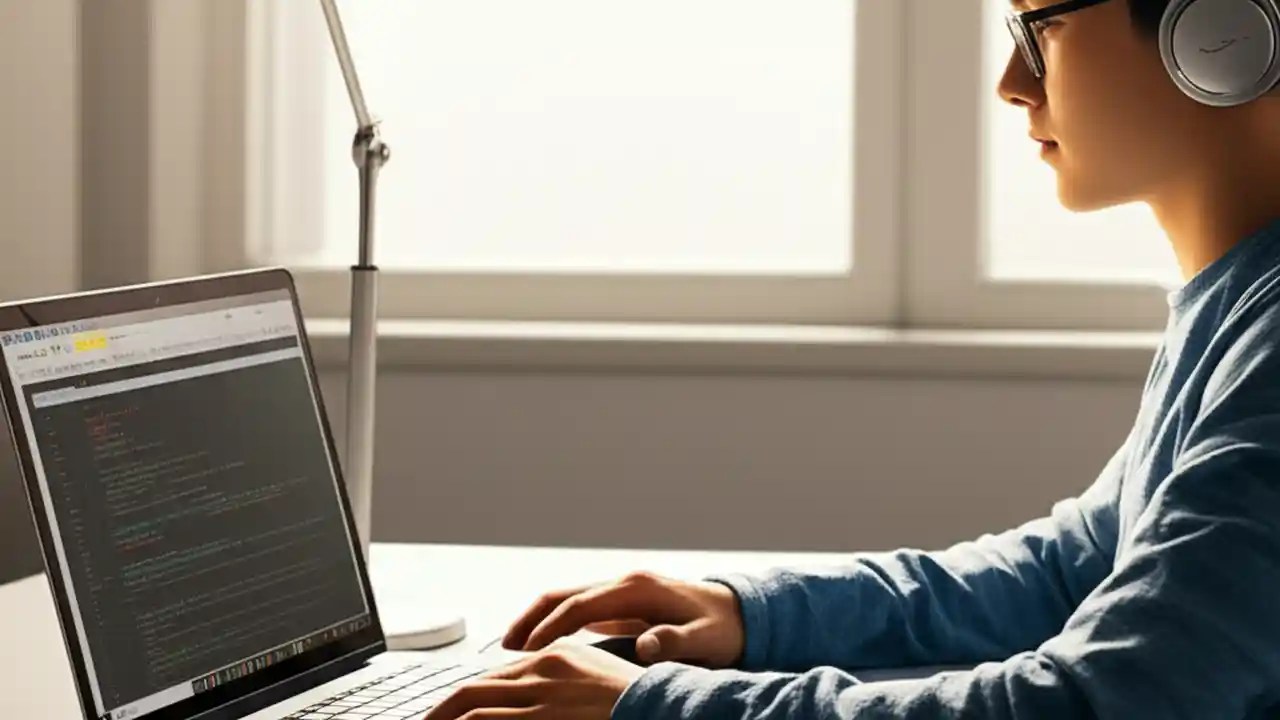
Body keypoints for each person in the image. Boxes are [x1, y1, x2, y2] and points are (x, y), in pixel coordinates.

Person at [425, 0, 1280, 716]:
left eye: (1039, 27)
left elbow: (1103, 704)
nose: (1011, 85)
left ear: (1221, 34)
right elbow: (1072, 573)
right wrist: (751, 615)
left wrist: (657, 706)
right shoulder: (1241, 306)